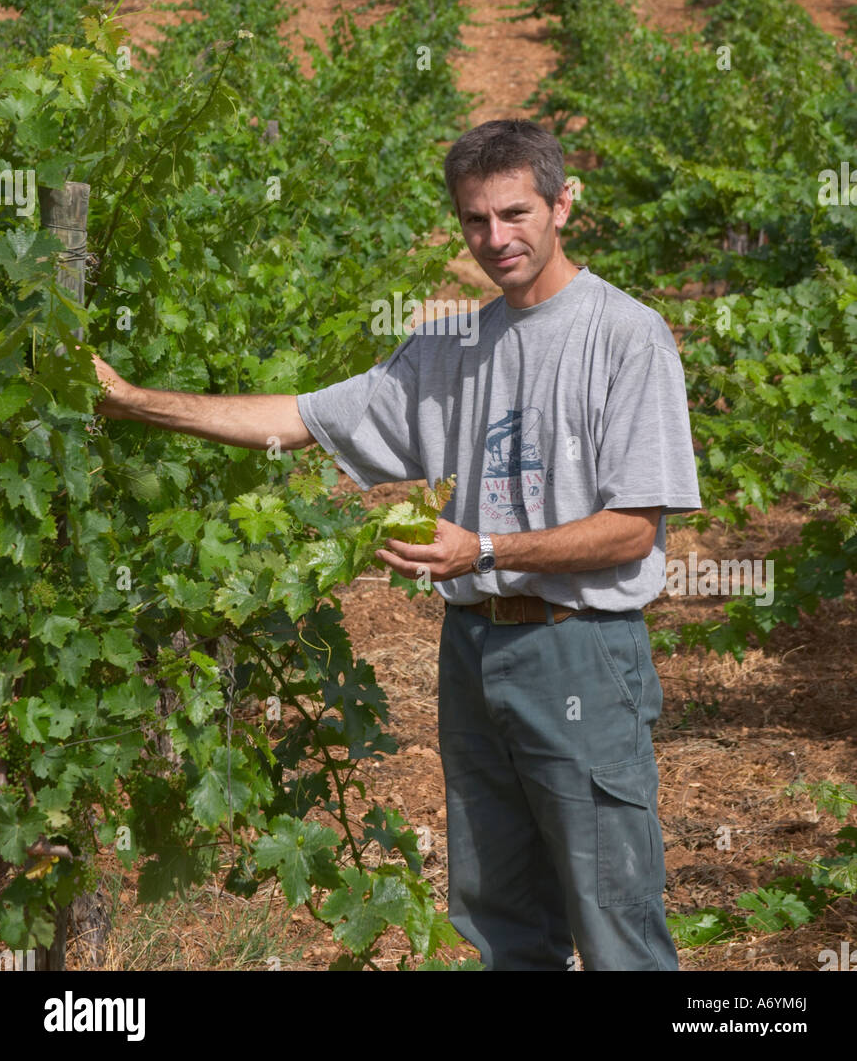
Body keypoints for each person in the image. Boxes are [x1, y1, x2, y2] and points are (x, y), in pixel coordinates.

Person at [94, 118, 702, 972]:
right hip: (473, 648)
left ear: (564, 205)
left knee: (614, 920)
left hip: (583, 655)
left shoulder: (625, 337)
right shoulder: (449, 346)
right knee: (499, 919)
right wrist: (132, 400)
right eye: (474, 222)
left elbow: (634, 527)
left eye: (515, 214)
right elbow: (301, 419)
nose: (496, 239)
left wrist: (484, 548)